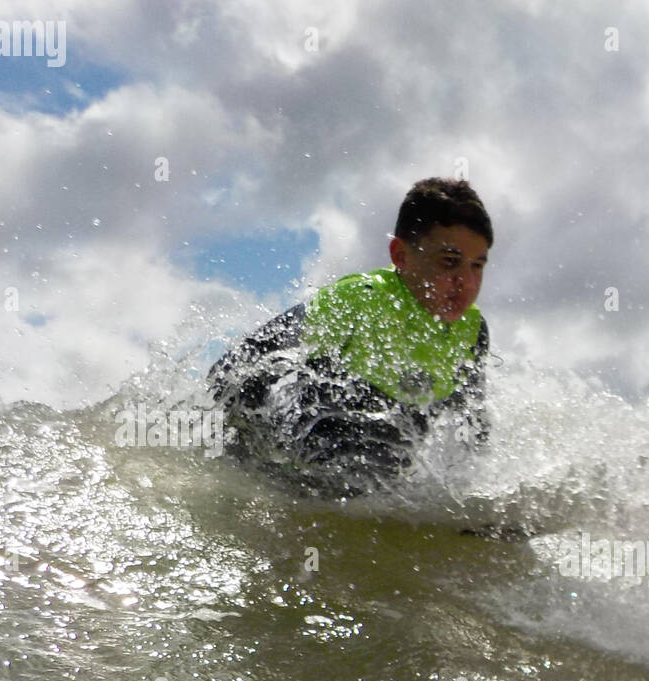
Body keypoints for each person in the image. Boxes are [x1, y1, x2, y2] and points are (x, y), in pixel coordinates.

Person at [208, 177, 494, 495]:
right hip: (309, 476)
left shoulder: (472, 331)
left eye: (477, 266)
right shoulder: (356, 301)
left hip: (384, 491)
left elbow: (472, 425)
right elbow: (236, 366)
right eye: (450, 262)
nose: (465, 282)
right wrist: (246, 466)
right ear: (401, 255)